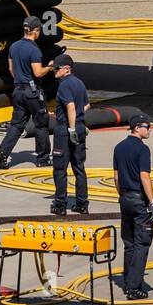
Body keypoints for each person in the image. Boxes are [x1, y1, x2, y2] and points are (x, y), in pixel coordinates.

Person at [0, 16, 54, 169]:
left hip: (18, 91)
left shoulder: (14, 46)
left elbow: (11, 69)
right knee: (41, 124)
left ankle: (3, 152)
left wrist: (20, 80)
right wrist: (50, 67)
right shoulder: (34, 50)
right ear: (36, 31)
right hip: (32, 93)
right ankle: (43, 158)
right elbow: (38, 72)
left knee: (16, 125)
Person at [113, 115, 153, 300]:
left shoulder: (119, 147)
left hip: (125, 198)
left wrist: (122, 196)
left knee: (129, 242)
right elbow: (144, 177)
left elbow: (116, 177)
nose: (149, 130)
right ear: (137, 128)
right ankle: (134, 288)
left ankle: (127, 279)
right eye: (147, 127)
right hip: (139, 200)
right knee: (142, 243)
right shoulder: (143, 149)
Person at [49, 54, 89, 216]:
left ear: (66, 69)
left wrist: (71, 128)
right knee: (79, 167)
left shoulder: (64, 85)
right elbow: (86, 105)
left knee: (60, 168)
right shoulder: (79, 83)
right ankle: (82, 203)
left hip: (65, 130)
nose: (54, 72)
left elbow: (70, 107)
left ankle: (60, 204)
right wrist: (78, 123)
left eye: (56, 69)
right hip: (79, 127)